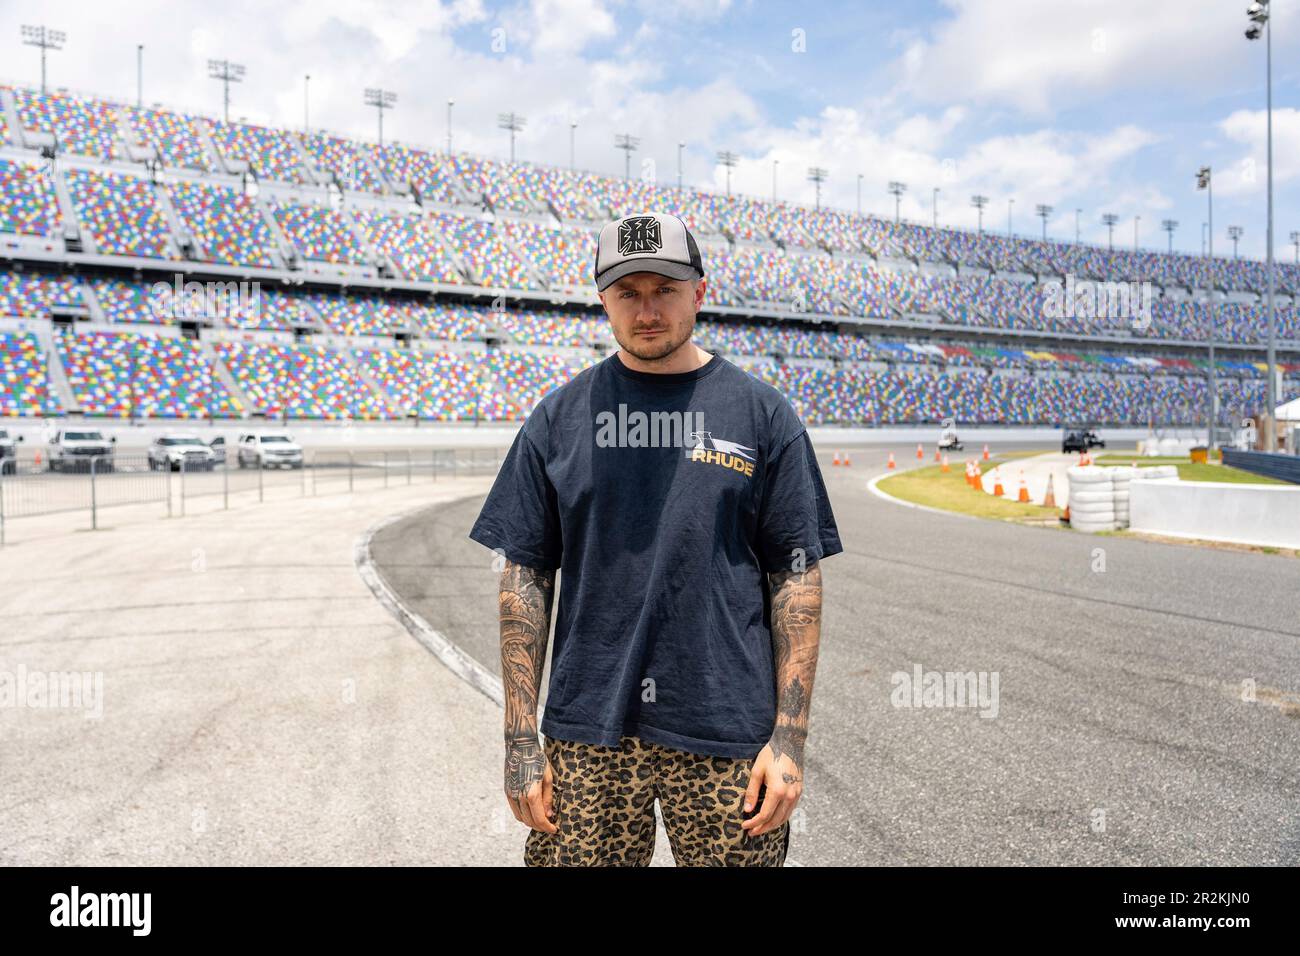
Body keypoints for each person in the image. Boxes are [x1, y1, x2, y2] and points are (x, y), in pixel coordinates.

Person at [468, 211, 842, 866]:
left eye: (664, 289)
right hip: (590, 734)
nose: (647, 310)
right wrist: (520, 743)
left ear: (700, 292)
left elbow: (797, 578)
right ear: (603, 300)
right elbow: (525, 579)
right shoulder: (558, 420)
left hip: (728, 734)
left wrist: (789, 739)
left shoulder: (762, 415)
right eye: (627, 293)